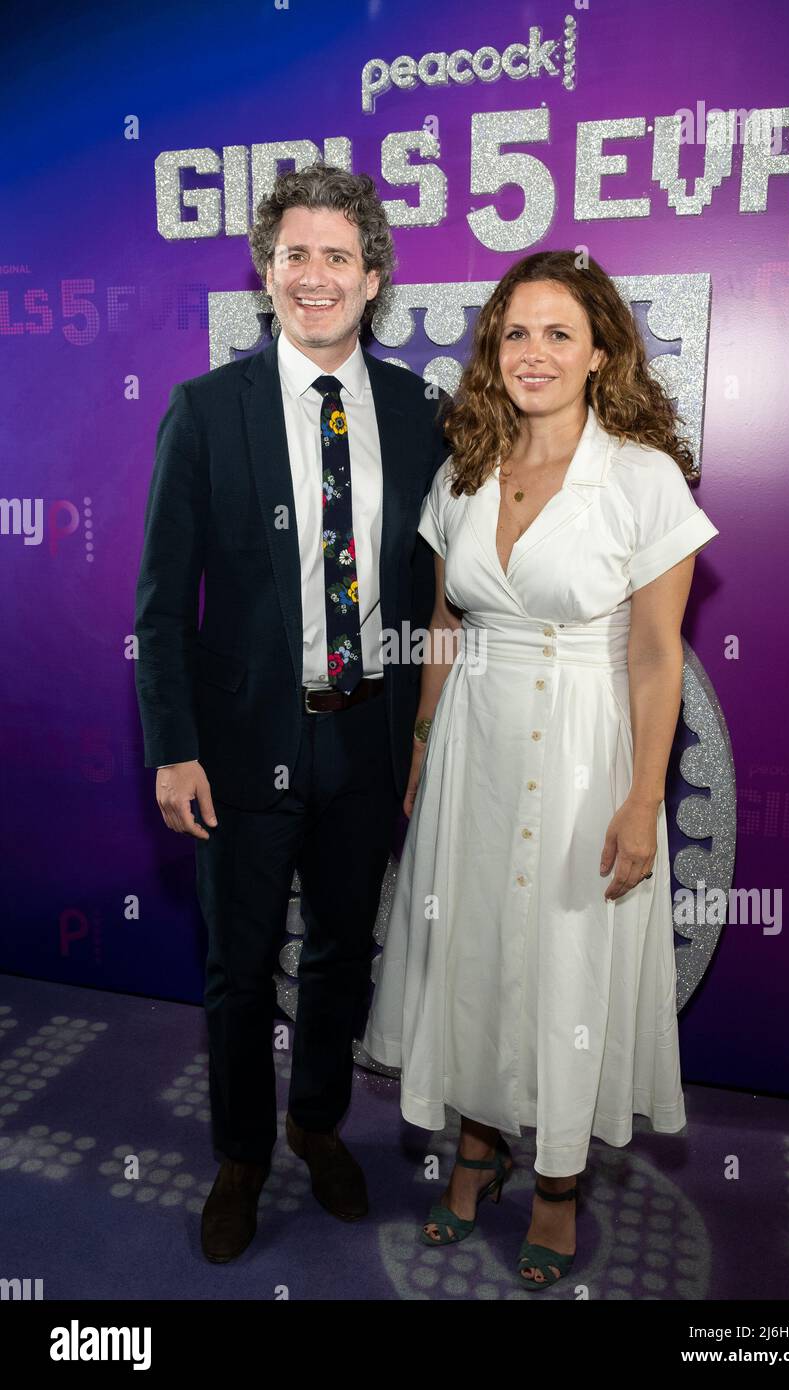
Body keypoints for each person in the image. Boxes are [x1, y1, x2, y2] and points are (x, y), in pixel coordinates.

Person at [363, 250, 720, 1291]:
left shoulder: (642, 478)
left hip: (583, 750)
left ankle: (558, 1179)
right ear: (491, 351)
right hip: (471, 740)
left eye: (558, 332)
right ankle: (479, 1144)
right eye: (514, 332)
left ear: (599, 350)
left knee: (563, 957)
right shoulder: (463, 467)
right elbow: (442, 620)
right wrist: (422, 744)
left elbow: (656, 656)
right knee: (471, 946)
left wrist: (642, 797)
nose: (533, 352)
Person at [134, 164, 449, 1262]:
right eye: (293, 255)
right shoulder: (205, 410)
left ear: (374, 278)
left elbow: (430, 591)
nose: (313, 277)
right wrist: (172, 749)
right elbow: (163, 604)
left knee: (338, 956)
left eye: (336, 257)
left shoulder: (418, 411)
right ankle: (240, 1155)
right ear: (266, 273)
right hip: (238, 744)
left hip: (365, 735)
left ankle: (315, 1124)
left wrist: (417, 736)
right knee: (237, 962)